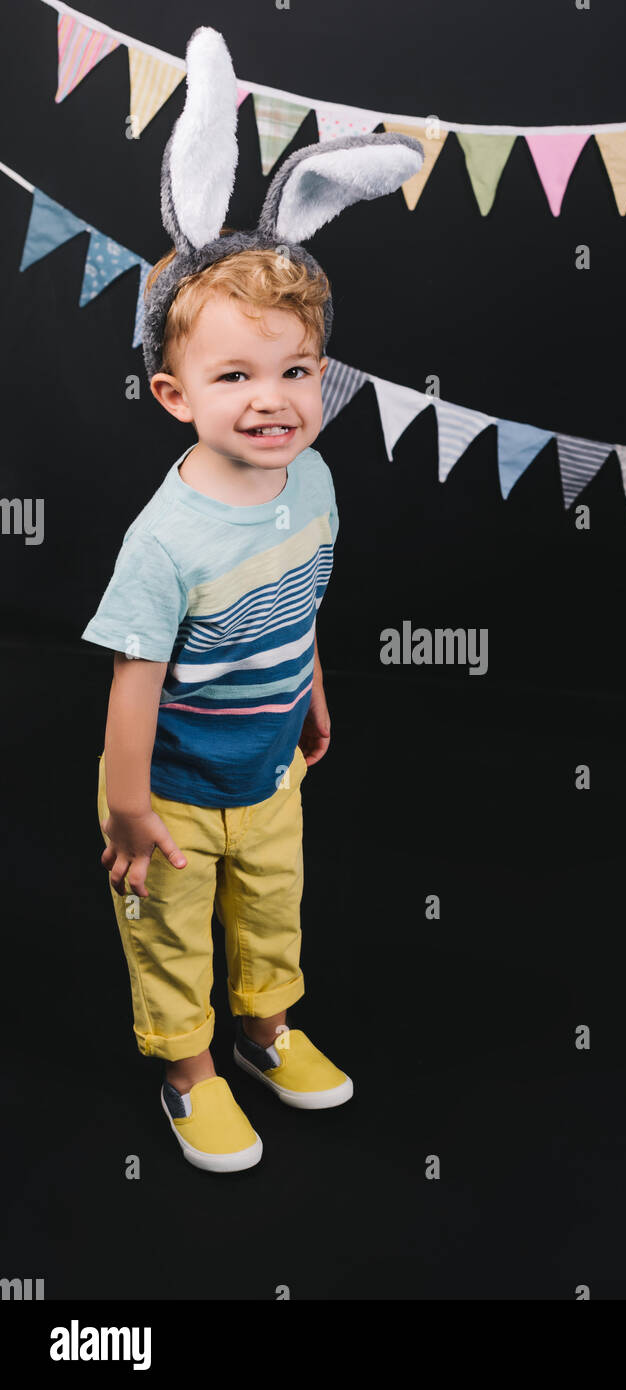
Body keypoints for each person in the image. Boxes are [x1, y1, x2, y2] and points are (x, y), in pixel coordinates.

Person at [80, 25, 423, 1173]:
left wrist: (313, 691)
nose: (272, 401)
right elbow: (134, 681)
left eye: (294, 371)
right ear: (175, 392)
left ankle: (267, 1027)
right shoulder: (164, 537)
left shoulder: (311, 480)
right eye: (236, 376)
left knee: (272, 909)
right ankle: (189, 1071)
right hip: (169, 790)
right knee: (174, 936)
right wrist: (129, 808)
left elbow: (300, 597)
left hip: (269, 766)